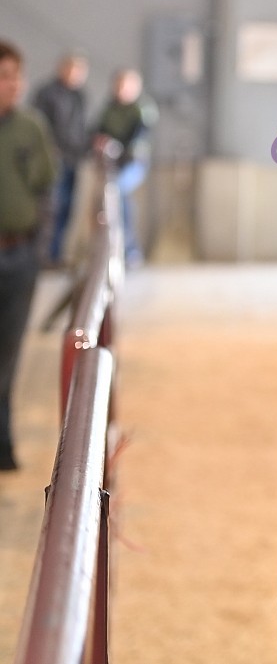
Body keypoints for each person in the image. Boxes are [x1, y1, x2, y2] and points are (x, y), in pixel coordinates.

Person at [0, 39, 58, 471]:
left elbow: (45, 189)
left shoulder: (31, 128)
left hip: (18, 255)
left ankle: (3, 441)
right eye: (4, 76)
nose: (12, 85)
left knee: (9, 353)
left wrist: (38, 248)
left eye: (16, 76)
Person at [31, 51, 89, 266]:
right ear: (62, 69)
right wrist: (48, 148)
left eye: (81, 71)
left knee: (67, 207)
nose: (77, 75)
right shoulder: (47, 93)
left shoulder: (80, 96)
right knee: (51, 207)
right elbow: (38, 124)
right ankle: (43, 254)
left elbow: (81, 128)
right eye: (73, 70)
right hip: (54, 157)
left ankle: (56, 253)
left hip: (74, 158)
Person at [94, 68, 155, 266]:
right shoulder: (109, 109)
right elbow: (97, 130)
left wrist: (118, 147)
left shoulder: (142, 109)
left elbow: (137, 137)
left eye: (126, 85)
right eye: (119, 85)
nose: (121, 90)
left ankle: (130, 250)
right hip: (110, 163)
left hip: (133, 163)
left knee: (118, 194)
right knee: (105, 200)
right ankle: (109, 248)